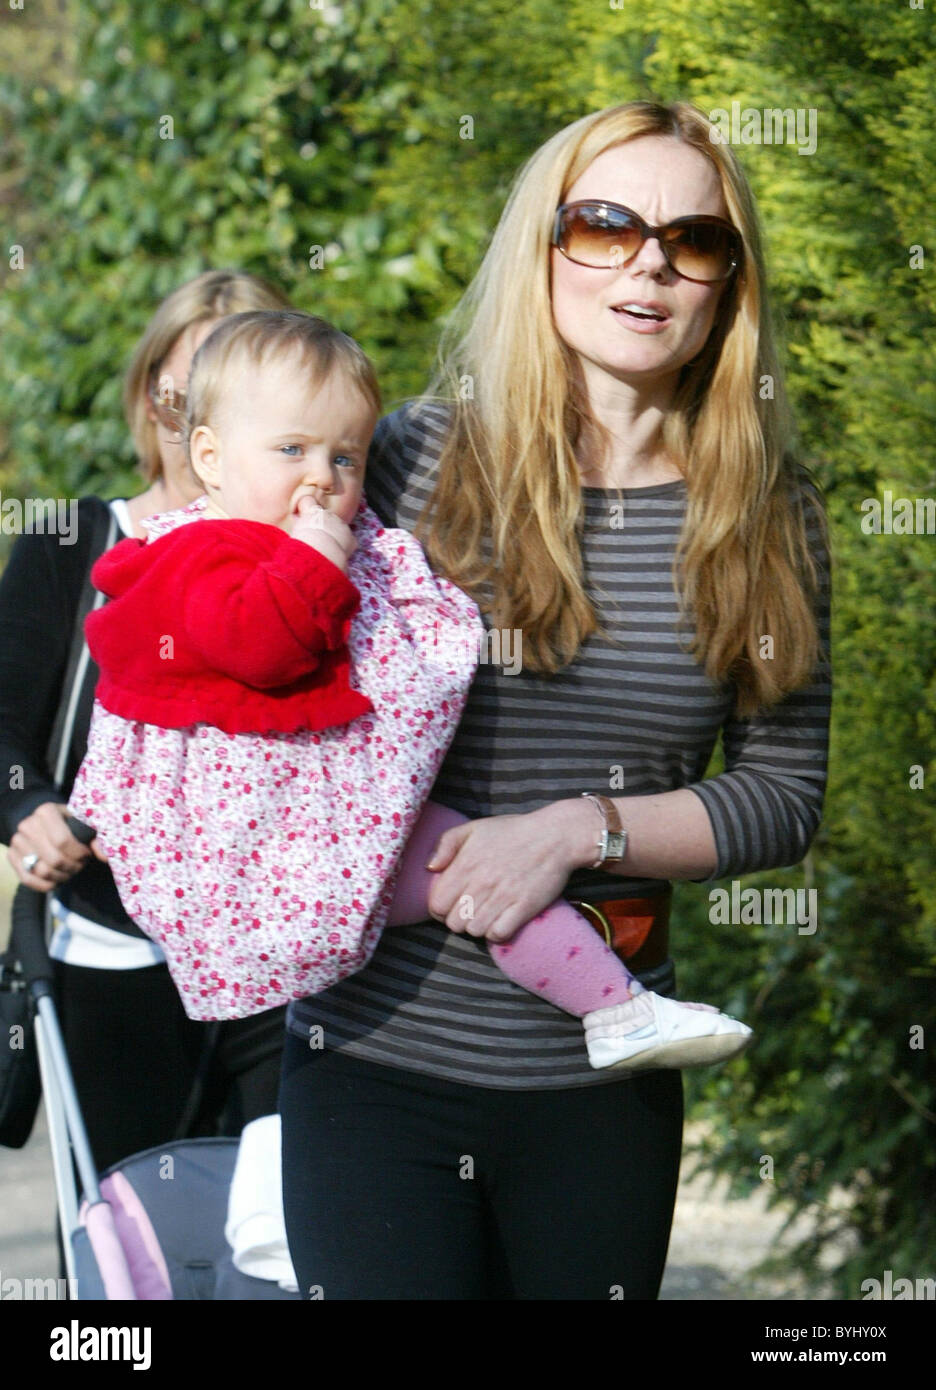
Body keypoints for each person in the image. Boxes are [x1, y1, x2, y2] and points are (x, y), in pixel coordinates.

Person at [277, 99, 833, 1300]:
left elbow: (784, 795)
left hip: (603, 1086)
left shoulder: (768, 516)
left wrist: (581, 829)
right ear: (546, 245)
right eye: (606, 224)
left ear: (729, 283)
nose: (648, 262)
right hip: (373, 1064)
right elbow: (269, 690)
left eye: (694, 240)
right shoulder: (409, 463)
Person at [68, 308, 751, 1077]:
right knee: (459, 866)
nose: (322, 478)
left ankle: (614, 1010)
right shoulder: (195, 552)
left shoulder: (326, 538)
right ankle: (615, 1007)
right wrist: (312, 569)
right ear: (210, 456)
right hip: (262, 837)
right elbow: (257, 648)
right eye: (291, 449)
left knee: (467, 865)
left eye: (347, 457)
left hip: (320, 800)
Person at [0, 269, 294, 1174]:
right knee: (125, 1247)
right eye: (178, 398)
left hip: (281, 970)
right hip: (111, 960)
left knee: (284, 1248)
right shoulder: (73, 541)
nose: (195, 427)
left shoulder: (319, 567)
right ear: (148, 401)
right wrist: (26, 811)